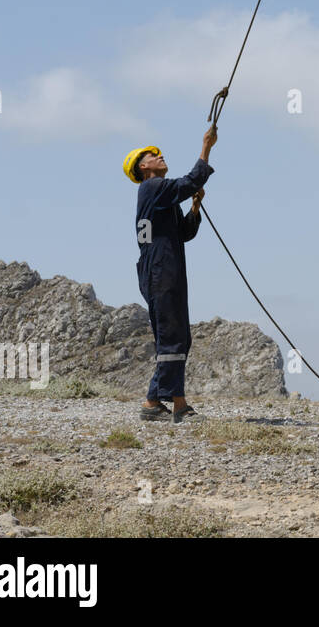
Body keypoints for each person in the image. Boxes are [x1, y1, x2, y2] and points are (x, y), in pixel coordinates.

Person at [123, 126, 217, 424]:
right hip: (161, 271)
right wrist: (206, 146)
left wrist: (195, 205)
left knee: (178, 338)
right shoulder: (152, 188)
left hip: (165, 269)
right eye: (153, 155)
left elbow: (185, 233)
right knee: (173, 338)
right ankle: (156, 401)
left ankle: (175, 404)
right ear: (143, 167)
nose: (160, 155)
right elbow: (191, 180)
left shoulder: (161, 197)